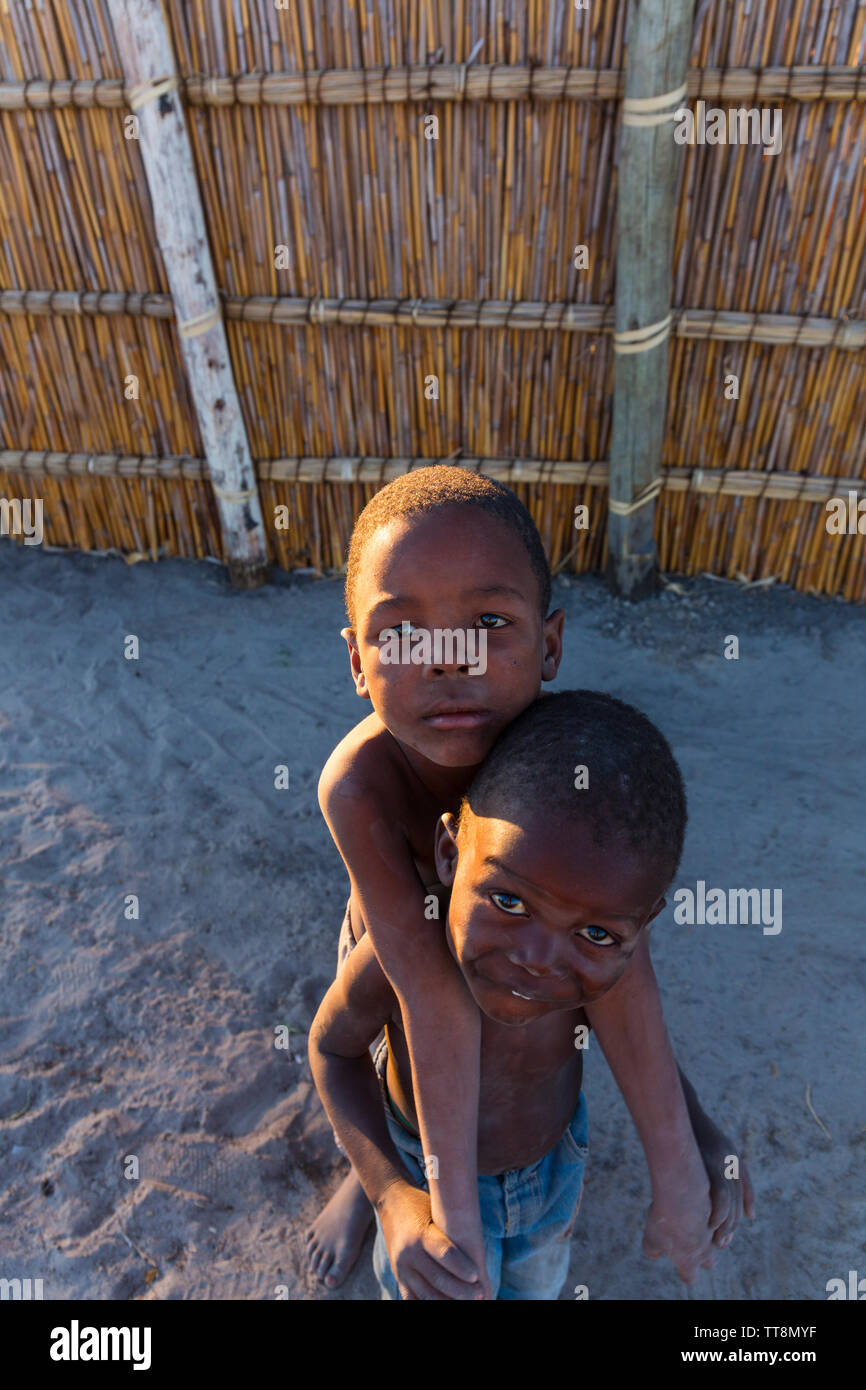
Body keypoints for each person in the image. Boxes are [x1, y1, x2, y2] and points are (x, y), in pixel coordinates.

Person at [305, 468, 739, 1293]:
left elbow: (613, 973)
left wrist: (681, 1153)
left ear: (550, 644)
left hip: (488, 938)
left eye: (489, 622)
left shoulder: (566, 766)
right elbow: (430, 994)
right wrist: (435, 1214)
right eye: (404, 635)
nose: (449, 660)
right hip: (393, 927)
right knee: (378, 1038)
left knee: (548, 955)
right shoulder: (357, 785)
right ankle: (366, 1185)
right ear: (358, 659)